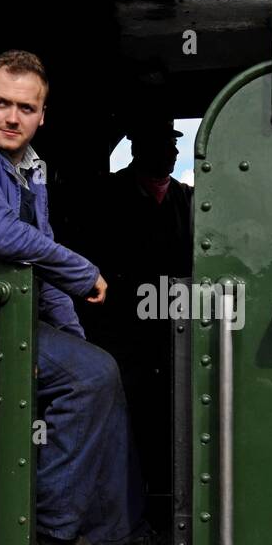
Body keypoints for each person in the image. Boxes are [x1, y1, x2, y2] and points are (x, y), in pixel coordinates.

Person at [0, 50, 160, 545]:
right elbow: (1, 235)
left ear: (42, 115)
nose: (12, 117)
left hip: (3, 314)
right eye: (1, 103)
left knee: (101, 372)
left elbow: (40, 262)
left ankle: (121, 529)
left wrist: (72, 335)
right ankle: (52, 529)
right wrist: (81, 271)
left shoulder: (31, 167)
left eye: (25, 108)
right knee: (89, 377)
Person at [84, 121, 194, 495]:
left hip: (172, 322)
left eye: (174, 146)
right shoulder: (106, 194)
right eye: (165, 145)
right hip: (120, 326)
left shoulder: (188, 199)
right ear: (138, 149)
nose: (174, 153)